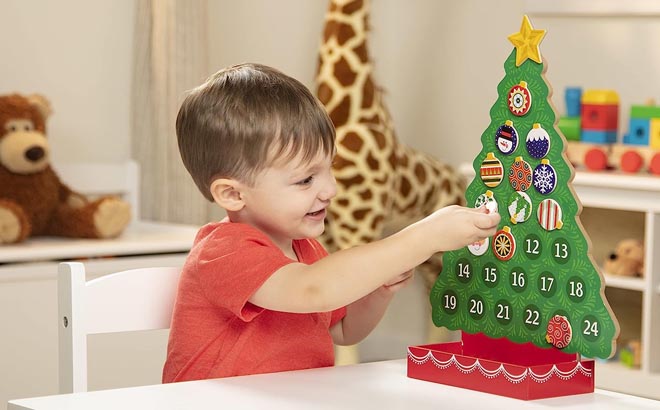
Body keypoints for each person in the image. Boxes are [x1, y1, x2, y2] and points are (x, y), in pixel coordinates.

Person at [162, 63, 500, 383]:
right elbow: (314, 290)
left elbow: (343, 331)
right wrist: (424, 236)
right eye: (306, 180)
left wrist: (378, 290)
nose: (331, 189)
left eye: (329, 168)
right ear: (233, 195)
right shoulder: (223, 252)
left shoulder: (305, 250)